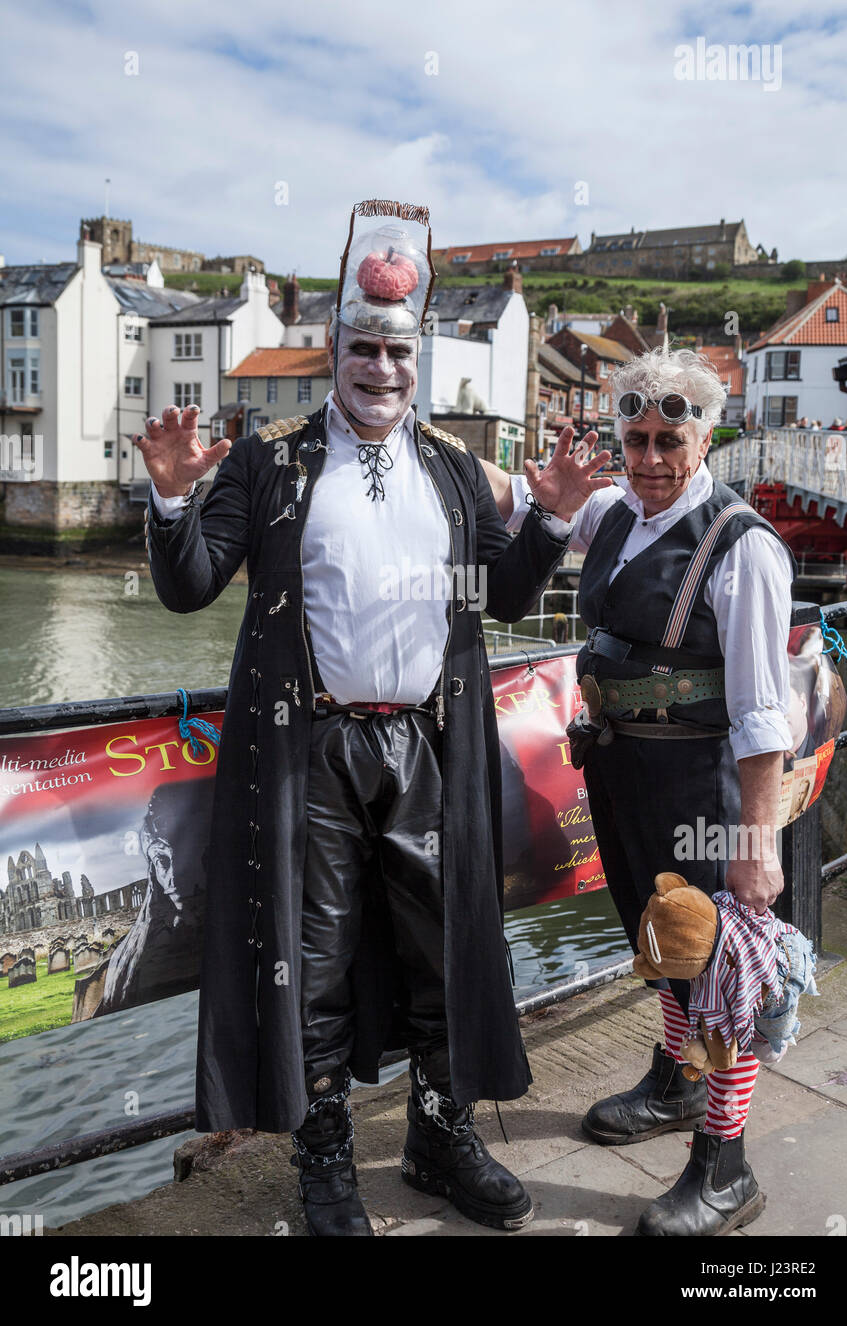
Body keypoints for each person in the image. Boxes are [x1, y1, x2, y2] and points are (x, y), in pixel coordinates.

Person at [135, 199, 592, 1237]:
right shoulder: (273, 459)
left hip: (429, 743)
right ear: (332, 349)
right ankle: (327, 1151)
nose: (379, 367)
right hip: (312, 750)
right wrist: (168, 504)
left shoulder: (450, 468)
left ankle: (436, 1132)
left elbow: (504, 598)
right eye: (362, 347)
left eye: (395, 350)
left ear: (413, 362)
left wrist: (552, 518)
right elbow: (192, 585)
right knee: (317, 952)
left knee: (443, 949)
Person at [483, 347, 798, 1236]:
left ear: (705, 439)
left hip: (703, 789)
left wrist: (756, 846)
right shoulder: (617, 515)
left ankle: (725, 1165)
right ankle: (677, 1081)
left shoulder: (744, 548)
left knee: (721, 966)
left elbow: (762, 713)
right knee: (658, 943)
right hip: (623, 773)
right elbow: (515, 497)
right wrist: (401, 424)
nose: (651, 457)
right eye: (637, 437)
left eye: (670, 438)